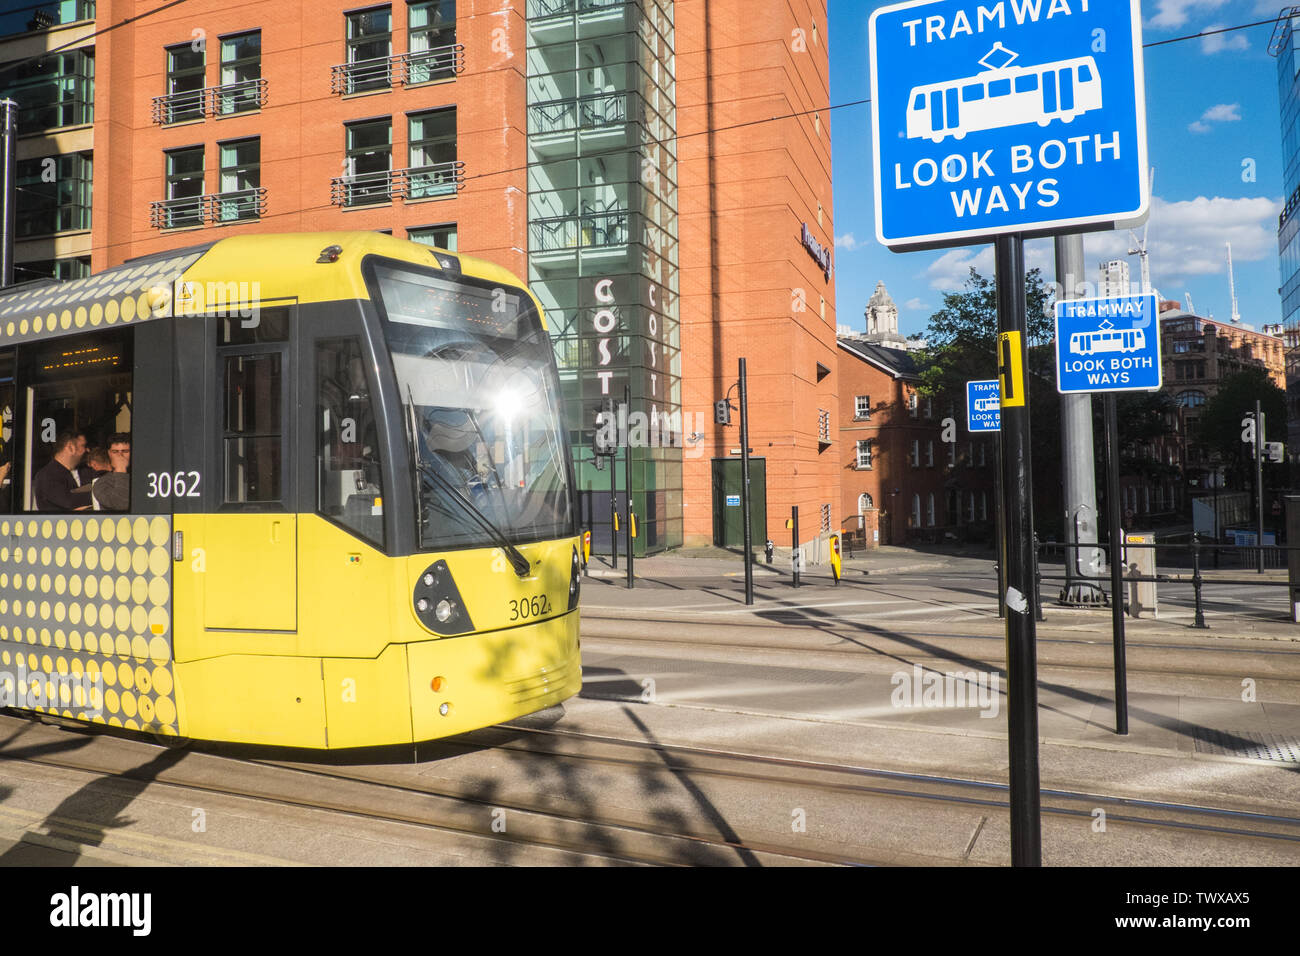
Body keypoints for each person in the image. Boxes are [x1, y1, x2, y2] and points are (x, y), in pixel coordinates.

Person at [33, 431, 90, 512]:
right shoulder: (47, 475)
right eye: (83, 445)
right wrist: (97, 495)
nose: (87, 450)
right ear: (71, 448)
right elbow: (69, 502)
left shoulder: (84, 471)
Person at [92, 433, 130, 512]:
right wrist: (121, 471)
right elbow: (121, 505)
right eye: (115, 452)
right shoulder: (101, 483)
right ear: (109, 453)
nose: (120, 456)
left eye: (125, 451)